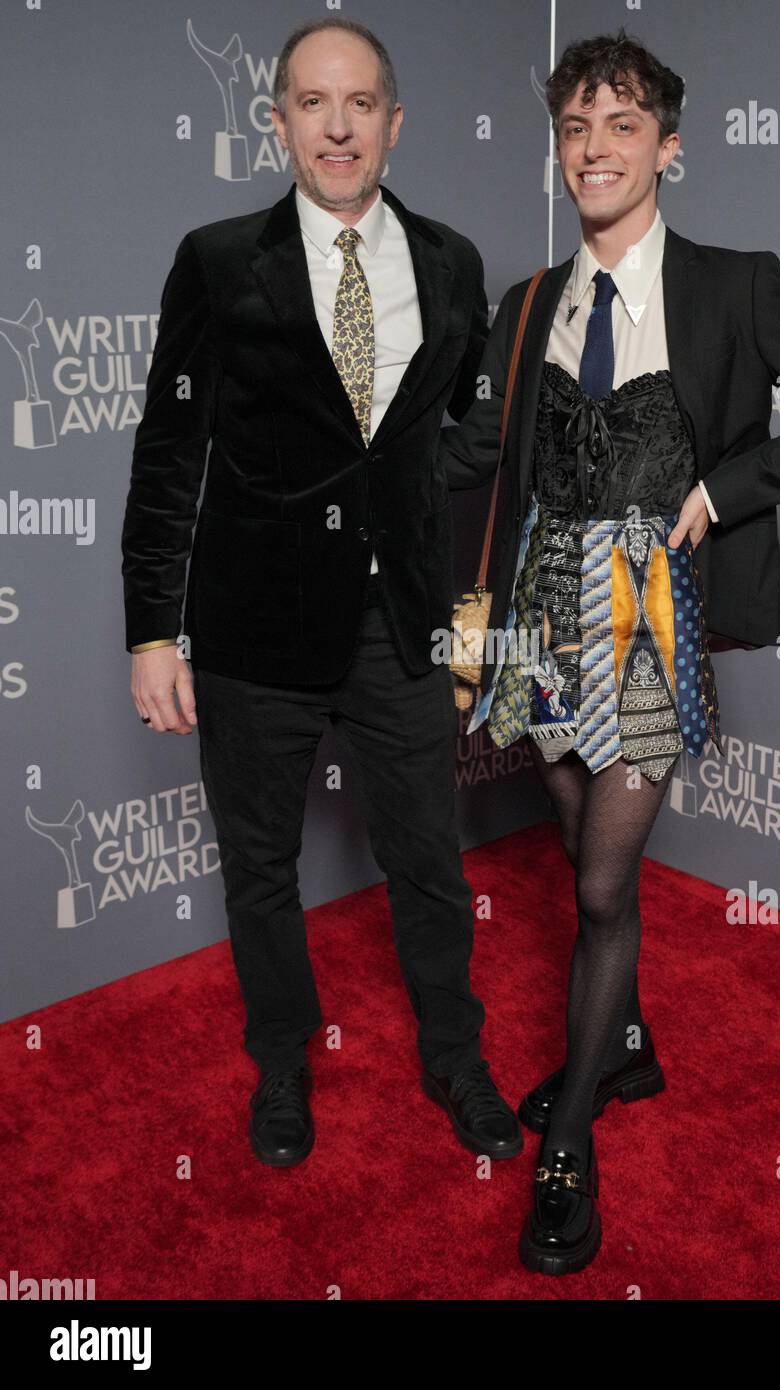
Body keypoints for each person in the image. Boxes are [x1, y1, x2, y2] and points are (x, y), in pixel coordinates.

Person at [439, 29, 780, 1274]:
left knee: (594, 884)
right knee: (592, 860)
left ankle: (571, 1140)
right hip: (544, 606)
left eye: (621, 125)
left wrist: (725, 486)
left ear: (668, 149)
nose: (595, 149)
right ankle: (623, 1046)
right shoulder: (531, 304)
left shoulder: (735, 284)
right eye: (576, 128)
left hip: (649, 614)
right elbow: (477, 457)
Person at [121, 18, 523, 1169]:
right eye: (311, 102)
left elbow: (476, 435)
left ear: (395, 121)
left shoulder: (450, 261)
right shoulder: (214, 258)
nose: (336, 125)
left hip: (399, 618)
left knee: (430, 860)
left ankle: (455, 1057)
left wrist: (474, 581)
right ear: (280, 120)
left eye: (359, 104)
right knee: (259, 863)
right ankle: (284, 1060)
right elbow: (169, 451)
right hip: (250, 627)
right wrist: (154, 626)